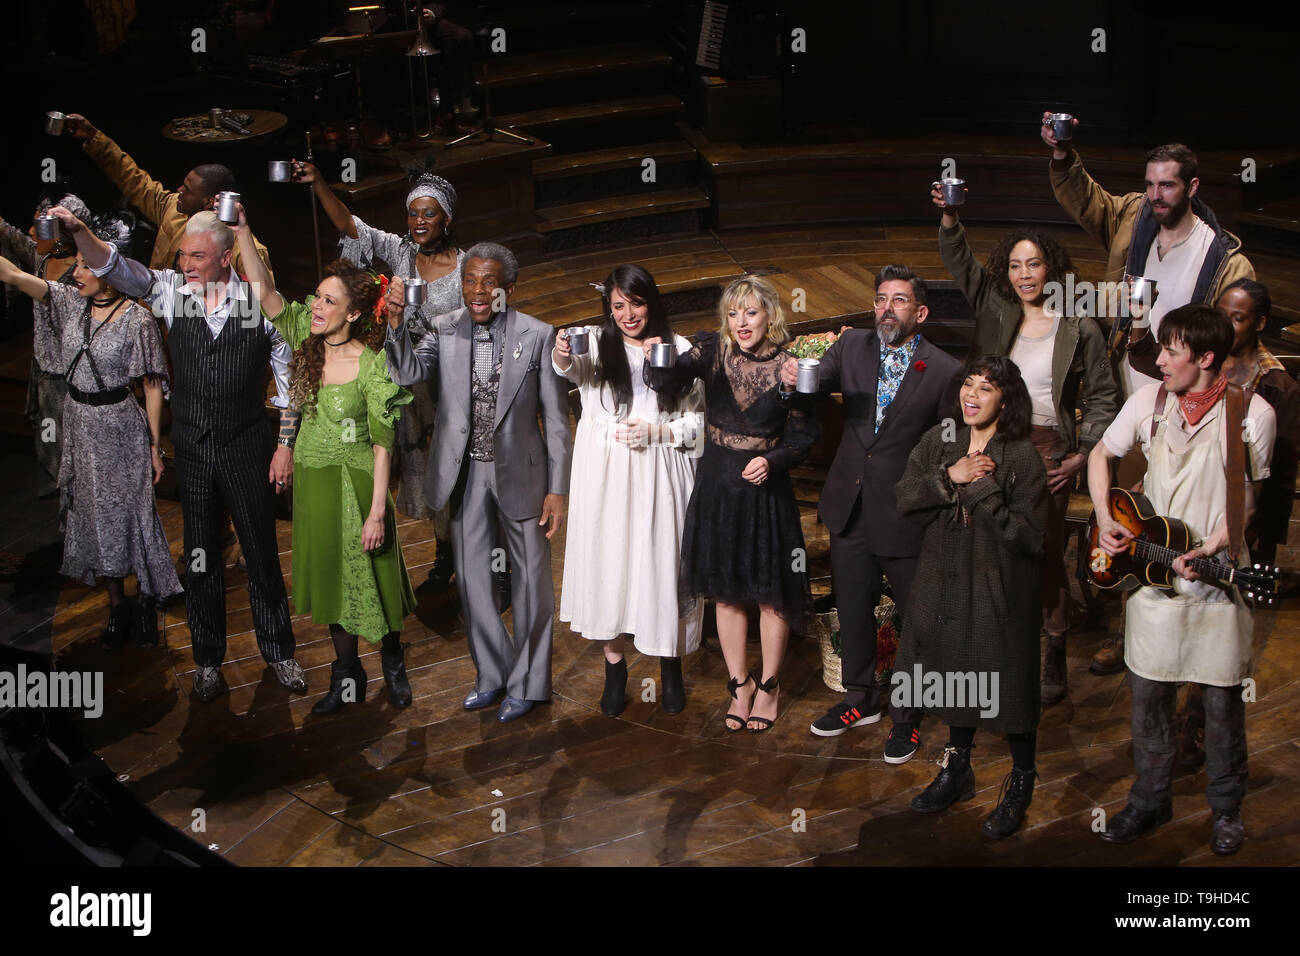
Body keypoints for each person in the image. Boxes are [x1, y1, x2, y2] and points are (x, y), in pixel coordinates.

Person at [58, 206, 307, 701]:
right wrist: (80, 231)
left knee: (260, 553)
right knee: (199, 559)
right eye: (183, 254)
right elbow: (113, 267)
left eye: (197, 255)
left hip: (246, 445)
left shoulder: (259, 303)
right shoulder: (173, 293)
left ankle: (279, 651)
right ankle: (208, 660)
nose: (187, 263)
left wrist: (284, 446)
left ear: (226, 256)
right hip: (192, 449)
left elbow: (291, 382)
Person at [1088, 304, 1275, 855]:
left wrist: (1216, 545)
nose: (1161, 359)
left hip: (1215, 586)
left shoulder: (1251, 414)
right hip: (1153, 582)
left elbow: (1251, 497)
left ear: (1207, 357)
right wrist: (1104, 518)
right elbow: (1101, 453)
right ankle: (1149, 800)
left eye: (1172, 351)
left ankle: (1225, 809)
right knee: (1147, 703)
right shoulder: (1149, 402)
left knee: (1221, 709)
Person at [933, 186, 1120, 705]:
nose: (1024, 275)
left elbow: (1105, 397)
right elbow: (960, 261)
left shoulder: (1079, 326)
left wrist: (1081, 455)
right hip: (994, 439)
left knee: (1040, 551)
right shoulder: (996, 308)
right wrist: (949, 216)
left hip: (1048, 448)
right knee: (985, 543)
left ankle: (1053, 648)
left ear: (1051, 269)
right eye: (1015, 265)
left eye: (1033, 264)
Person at [234, 206, 417, 714]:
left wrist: (379, 510)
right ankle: (346, 674)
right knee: (335, 579)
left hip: (360, 483)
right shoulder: (303, 341)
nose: (315, 305)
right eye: (316, 295)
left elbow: (384, 443)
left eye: (328, 300)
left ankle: (393, 661)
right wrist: (244, 231)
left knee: (375, 574)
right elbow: (265, 293)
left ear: (353, 313)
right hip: (314, 479)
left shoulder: (372, 365)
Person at [385, 242, 572, 723]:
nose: (477, 291)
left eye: (488, 282)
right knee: (472, 582)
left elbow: (555, 420)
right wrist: (395, 325)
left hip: (523, 474)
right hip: (465, 473)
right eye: (469, 280)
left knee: (531, 584)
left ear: (509, 288)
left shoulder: (538, 335)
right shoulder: (445, 329)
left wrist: (558, 488)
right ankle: (492, 674)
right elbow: (405, 371)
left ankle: (530, 683)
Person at [784, 264, 961, 760]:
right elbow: (814, 387)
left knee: (915, 620)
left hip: (906, 514)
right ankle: (861, 698)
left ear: (920, 312)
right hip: (850, 507)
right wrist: (791, 377)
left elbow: (949, 446)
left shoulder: (944, 370)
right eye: (881, 298)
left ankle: (906, 718)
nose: (886, 307)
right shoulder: (852, 347)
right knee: (854, 608)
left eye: (899, 300)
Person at [0, 212, 182, 645]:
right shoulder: (66, 301)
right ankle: (115, 603)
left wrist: (156, 445)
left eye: (85, 264)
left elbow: (153, 384)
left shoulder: (137, 320)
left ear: (110, 271)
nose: (77, 271)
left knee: (131, 514)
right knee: (93, 513)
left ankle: (141, 601)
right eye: (78, 264)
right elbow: (13, 274)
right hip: (79, 424)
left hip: (120, 424)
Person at [646, 275, 817, 733]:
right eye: (734, 313)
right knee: (726, 591)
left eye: (752, 312)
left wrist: (774, 460)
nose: (742, 322)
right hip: (719, 485)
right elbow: (665, 380)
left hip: (765, 492)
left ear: (770, 316)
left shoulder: (791, 367)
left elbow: (804, 438)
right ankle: (739, 684)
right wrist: (658, 356)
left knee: (770, 593)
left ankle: (770, 685)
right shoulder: (711, 351)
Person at [893, 355, 1047, 837]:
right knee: (955, 674)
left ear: (1006, 398)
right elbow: (904, 495)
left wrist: (982, 493)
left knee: (1010, 687)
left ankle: (1022, 780)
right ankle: (957, 769)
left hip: (997, 588)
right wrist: (949, 477)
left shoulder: (1021, 455)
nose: (972, 395)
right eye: (968, 384)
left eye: (986, 387)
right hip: (942, 579)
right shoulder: (942, 439)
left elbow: (1032, 538)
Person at [298, 164, 464, 590]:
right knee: (425, 466)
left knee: (456, 469)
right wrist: (319, 182)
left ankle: (479, 564)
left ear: (447, 217)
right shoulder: (402, 251)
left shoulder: (466, 269)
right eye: (413, 214)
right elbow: (351, 226)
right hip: (409, 378)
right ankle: (444, 557)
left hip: (451, 381)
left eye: (429, 214)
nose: (420, 222)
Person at [552, 264, 705, 716]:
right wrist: (562, 349)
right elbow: (566, 369)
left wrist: (657, 434)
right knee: (611, 566)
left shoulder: (679, 350)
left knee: (661, 566)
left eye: (636, 303)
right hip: (606, 476)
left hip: (662, 471)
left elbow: (697, 426)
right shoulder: (596, 345)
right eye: (618, 306)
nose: (628, 314)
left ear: (651, 301)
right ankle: (615, 667)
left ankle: (670, 665)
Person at [1041, 115, 1253, 396]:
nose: (1155, 195)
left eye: (1167, 185)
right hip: (1125, 387)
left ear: (1192, 187)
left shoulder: (1223, 261)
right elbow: (1088, 202)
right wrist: (1062, 153)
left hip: (1180, 395)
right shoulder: (1135, 218)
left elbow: (1230, 348)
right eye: (1150, 185)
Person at [62, 113, 274, 276]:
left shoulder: (243, 248)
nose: (179, 191)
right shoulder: (172, 208)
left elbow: (262, 300)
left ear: (208, 201)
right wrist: (93, 137)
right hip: (158, 313)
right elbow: (133, 179)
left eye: (188, 189)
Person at [0, 193, 92, 497]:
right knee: (49, 447)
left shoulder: (80, 278)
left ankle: (75, 515)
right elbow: (12, 237)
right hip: (42, 369)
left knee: (65, 455)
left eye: (40, 225)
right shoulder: (44, 257)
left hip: (65, 378)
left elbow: (13, 274)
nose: (31, 231)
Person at [1217, 278, 1300, 568]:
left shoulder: (1278, 386)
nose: (1226, 326)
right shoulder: (1205, 362)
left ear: (1260, 323)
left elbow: (1281, 474)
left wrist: (1265, 542)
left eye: (1237, 319)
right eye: (1222, 315)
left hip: (1245, 515)